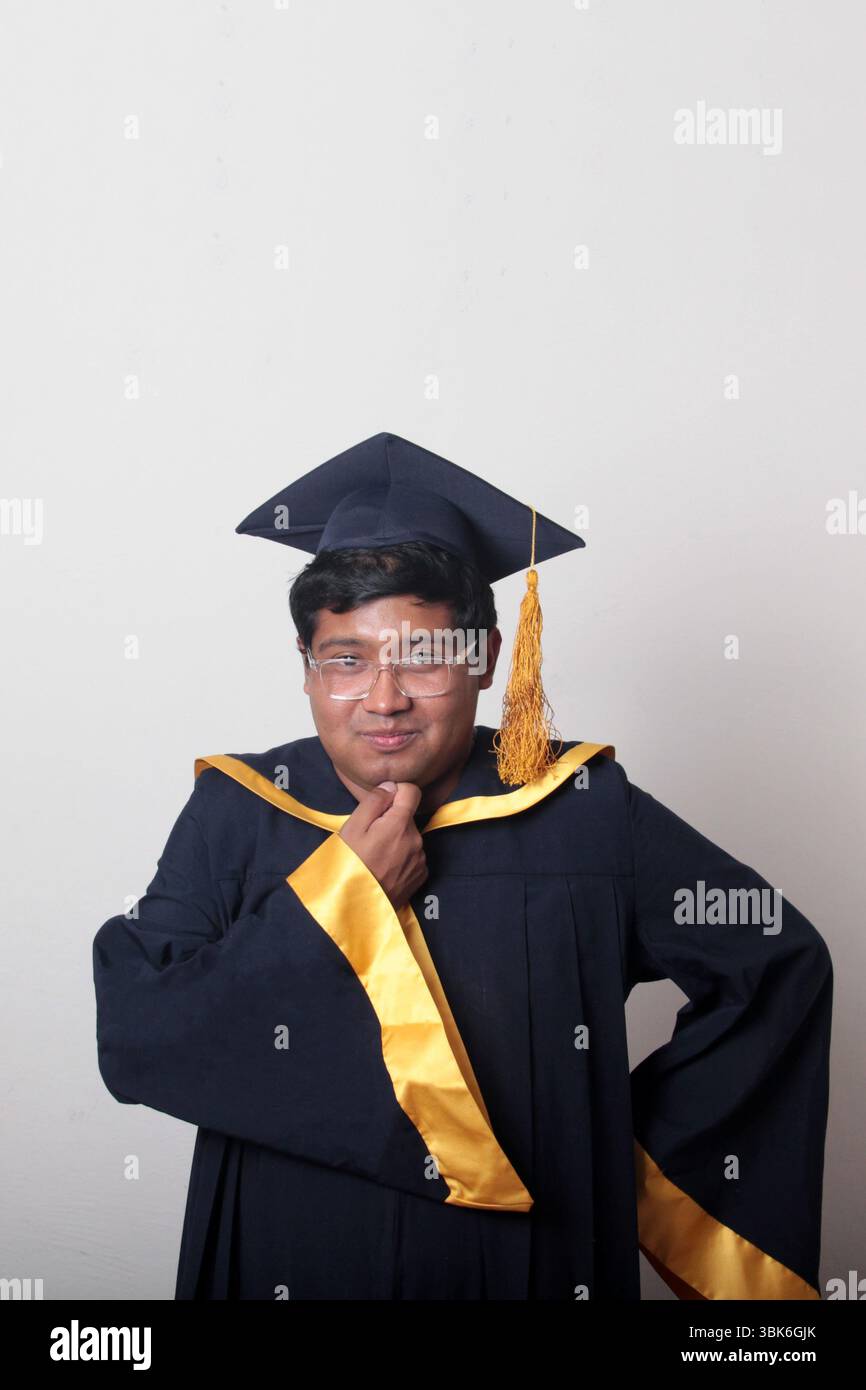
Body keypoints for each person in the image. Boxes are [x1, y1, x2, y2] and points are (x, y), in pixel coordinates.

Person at [92, 431, 833, 1300]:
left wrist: (623, 1157)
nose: (384, 698)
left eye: (425, 657)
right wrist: (344, 898)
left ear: (484, 658)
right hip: (287, 1251)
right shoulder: (240, 808)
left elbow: (777, 960)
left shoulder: (584, 810)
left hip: (525, 1262)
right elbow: (141, 1036)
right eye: (347, 660)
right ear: (306, 669)